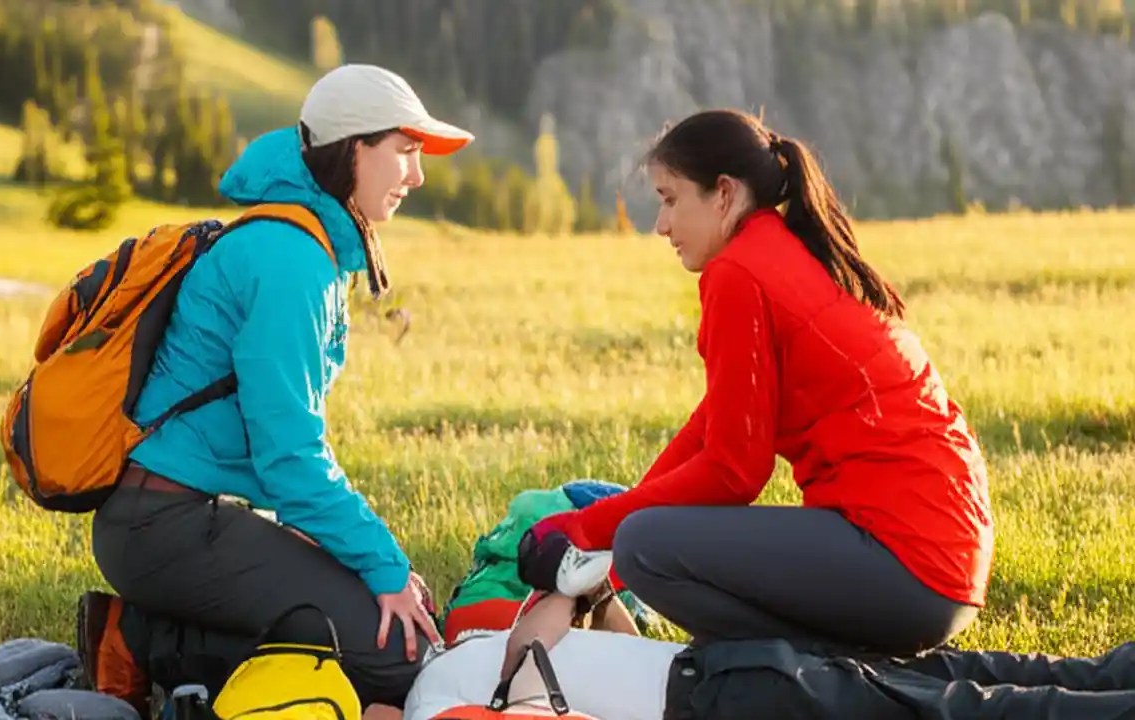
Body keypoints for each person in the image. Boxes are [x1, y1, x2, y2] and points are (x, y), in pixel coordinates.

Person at [517, 108, 994, 658]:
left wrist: (593, 531)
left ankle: (784, 674)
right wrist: (595, 533)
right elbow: (711, 426)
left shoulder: (738, 273)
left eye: (670, 199)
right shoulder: (778, 249)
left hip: (908, 561)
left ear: (723, 194)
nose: (661, 225)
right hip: (942, 555)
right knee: (636, 536)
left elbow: (733, 470)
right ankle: (809, 666)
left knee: (645, 547)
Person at [78, 63, 474, 715]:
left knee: (393, 622)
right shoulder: (289, 261)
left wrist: (353, 556)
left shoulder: (300, 243)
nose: (417, 175)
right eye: (406, 151)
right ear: (353, 150)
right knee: (397, 655)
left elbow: (281, 454)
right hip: (163, 526)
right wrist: (385, 565)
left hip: (177, 517)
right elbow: (290, 460)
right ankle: (140, 639)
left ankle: (161, 629)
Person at [405, 593, 1135, 720]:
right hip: (725, 673)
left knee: (957, 699)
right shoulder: (457, 668)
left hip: (723, 686)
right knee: (959, 686)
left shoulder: (450, 677)